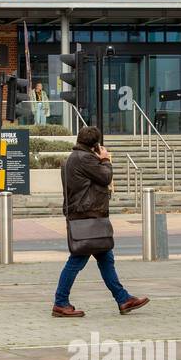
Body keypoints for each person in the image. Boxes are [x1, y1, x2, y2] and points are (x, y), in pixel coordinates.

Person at [52, 126, 150, 317]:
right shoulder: (85, 159)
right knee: (76, 261)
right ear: (95, 145)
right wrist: (105, 159)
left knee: (106, 260)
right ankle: (60, 302)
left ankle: (123, 299)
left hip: (86, 216)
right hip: (87, 218)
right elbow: (105, 177)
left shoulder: (74, 158)